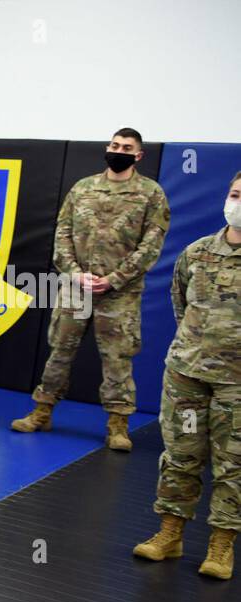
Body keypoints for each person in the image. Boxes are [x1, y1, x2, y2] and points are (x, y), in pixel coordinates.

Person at [12, 128, 170, 450]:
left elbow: (151, 246)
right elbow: (63, 235)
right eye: (114, 145)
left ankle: (118, 425)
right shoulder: (82, 188)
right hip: (76, 288)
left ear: (138, 156)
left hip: (119, 293)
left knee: (117, 360)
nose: (118, 150)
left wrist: (115, 278)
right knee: (60, 352)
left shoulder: (151, 194)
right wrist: (74, 273)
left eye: (126, 147)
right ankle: (42, 411)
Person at [133, 171, 241, 580]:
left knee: (233, 465)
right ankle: (170, 533)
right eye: (234, 193)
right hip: (187, 375)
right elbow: (181, 304)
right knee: (181, 455)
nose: (237, 202)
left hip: (237, 384)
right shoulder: (197, 253)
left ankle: (221, 545)